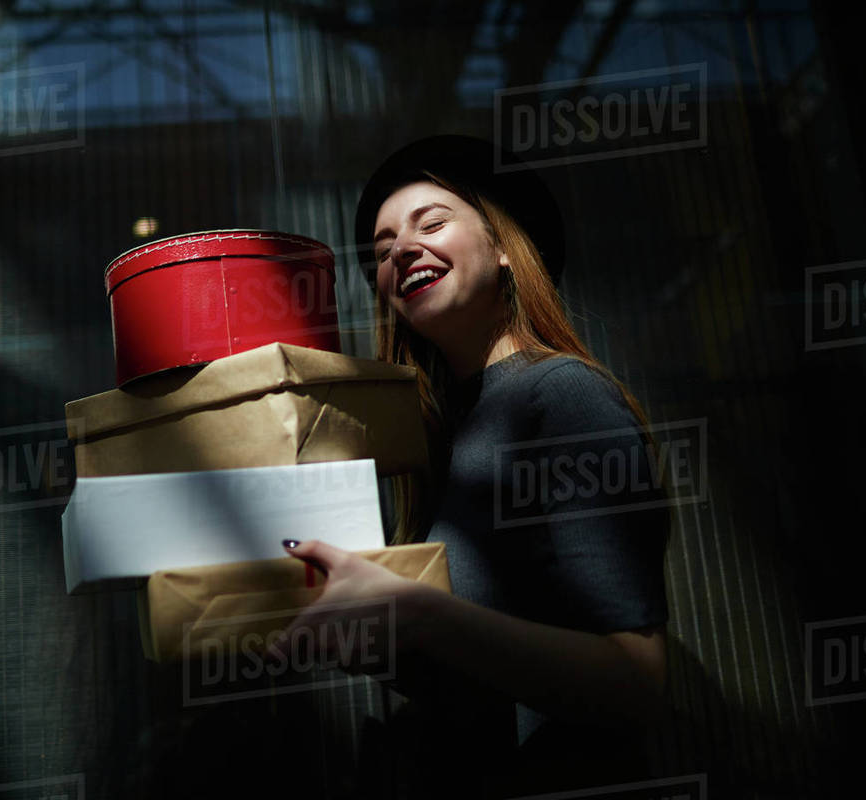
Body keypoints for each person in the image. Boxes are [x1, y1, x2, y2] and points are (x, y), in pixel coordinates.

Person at [268, 135, 672, 798]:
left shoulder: (561, 395)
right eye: (382, 249)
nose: (401, 249)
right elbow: (486, 680)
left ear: (506, 249)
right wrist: (381, 644)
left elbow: (637, 683)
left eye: (432, 223)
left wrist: (419, 612)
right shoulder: (435, 432)